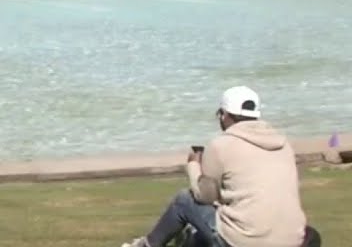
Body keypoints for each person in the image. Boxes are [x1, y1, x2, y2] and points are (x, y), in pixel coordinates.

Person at [121, 86, 309, 247]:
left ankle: (147, 244)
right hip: (291, 238)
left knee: (184, 200)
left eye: (220, 114)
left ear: (225, 115)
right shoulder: (283, 144)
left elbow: (205, 196)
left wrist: (194, 164)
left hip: (244, 240)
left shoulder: (222, 145)